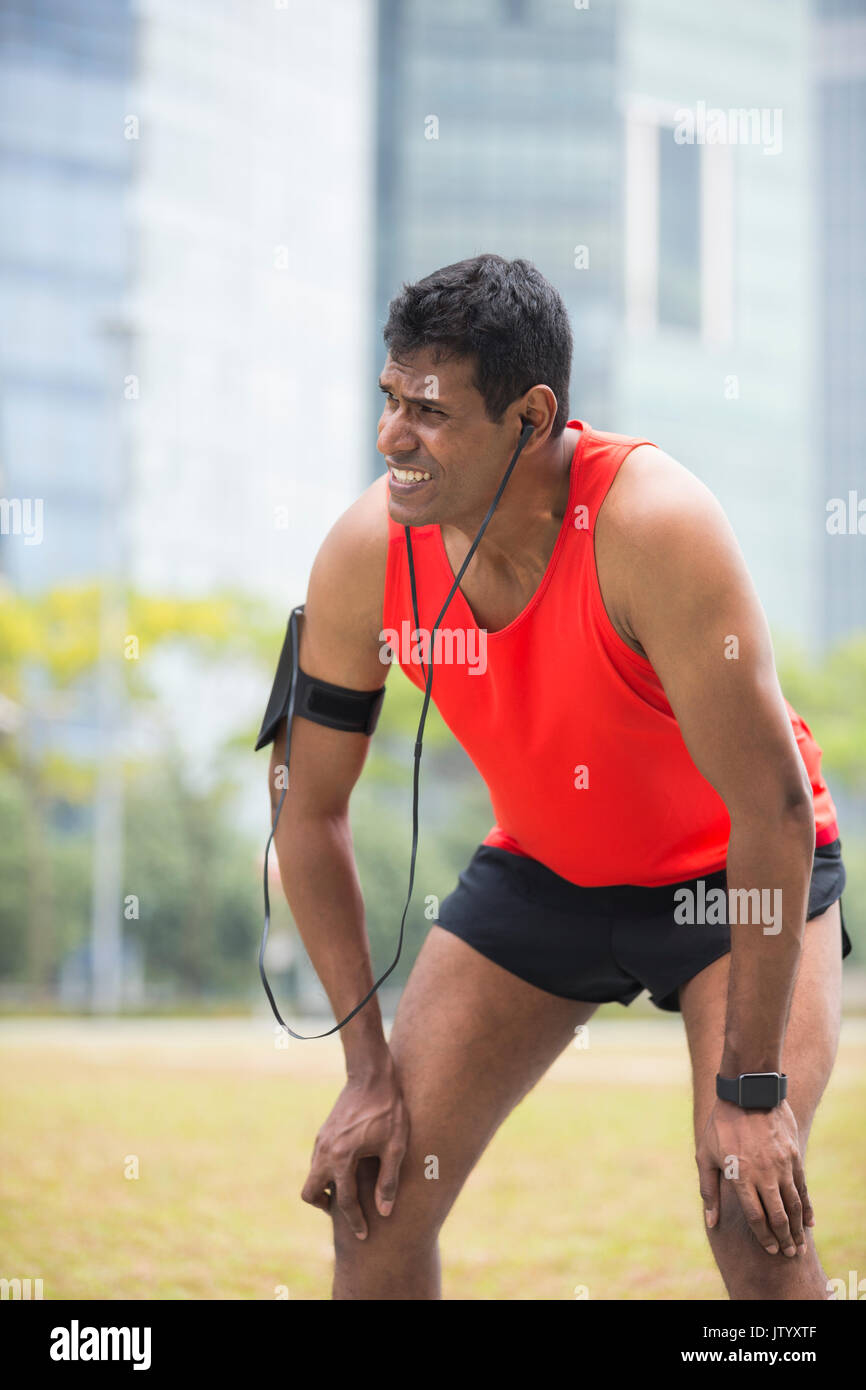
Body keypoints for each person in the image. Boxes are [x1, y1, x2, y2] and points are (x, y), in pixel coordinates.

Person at [265, 254, 849, 1300]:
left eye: (431, 413)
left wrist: (751, 1091)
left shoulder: (651, 525)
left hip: (733, 874)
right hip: (546, 870)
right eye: (389, 400)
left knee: (745, 1206)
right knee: (374, 1192)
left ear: (530, 419)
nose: (393, 436)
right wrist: (364, 1075)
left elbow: (768, 807)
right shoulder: (366, 552)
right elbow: (306, 813)